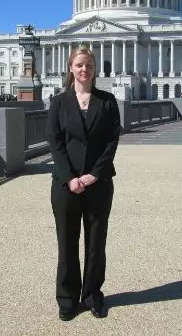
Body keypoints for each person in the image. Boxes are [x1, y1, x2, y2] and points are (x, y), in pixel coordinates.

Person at [46, 46, 121, 321]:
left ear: (94, 69)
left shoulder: (108, 101)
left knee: (96, 244)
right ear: (71, 69)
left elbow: (112, 141)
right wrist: (70, 178)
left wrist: (94, 174)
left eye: (88, 65)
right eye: (79, 65)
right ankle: (67, 297)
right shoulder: (58, 102)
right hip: (65, 185)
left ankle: (92, 294)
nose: (84, 70)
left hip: (98, 183)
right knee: (66, 243)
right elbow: (55, 143)